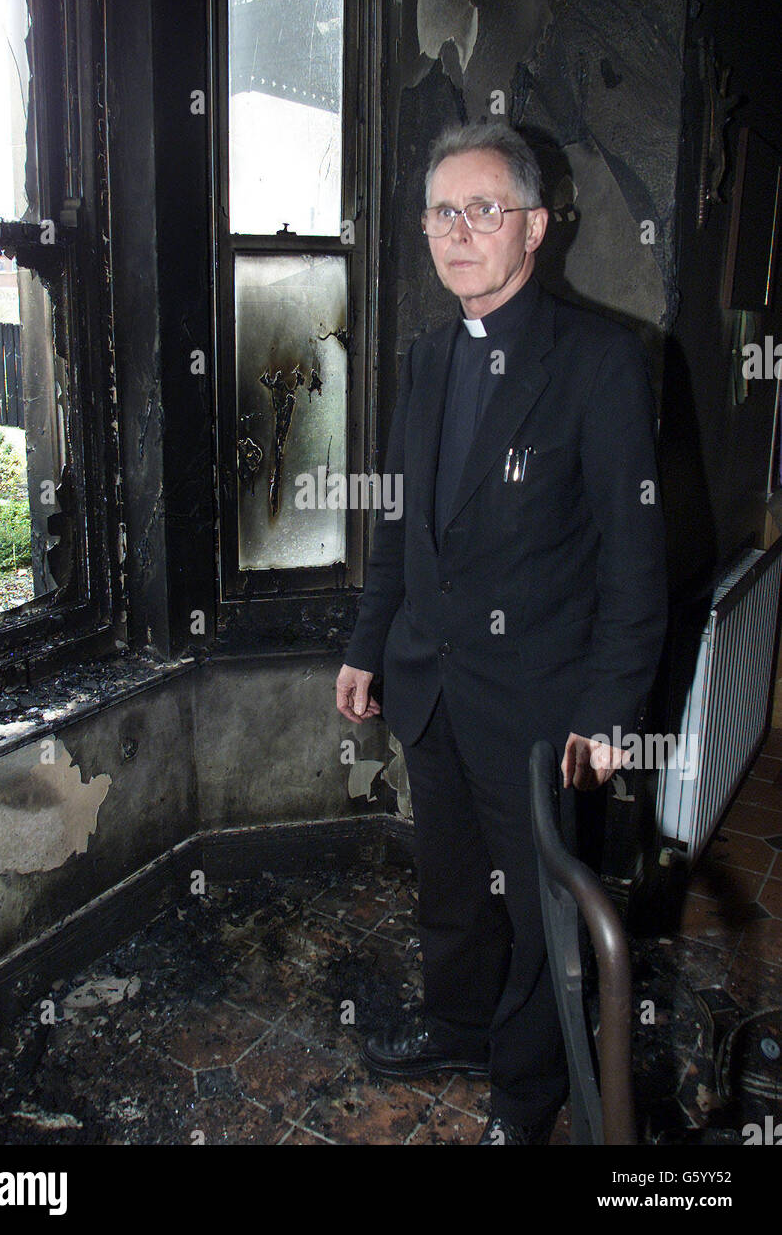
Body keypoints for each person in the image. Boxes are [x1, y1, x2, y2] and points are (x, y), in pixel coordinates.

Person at [335, 119, 668, 1145]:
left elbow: (633, 565)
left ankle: (524, 1095)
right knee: (450, 884)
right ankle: (455, 1024)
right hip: (429, 684)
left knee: (537, 918)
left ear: (532, 227)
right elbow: (400, 519)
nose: (457, 230)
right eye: (442, 210)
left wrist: (609, 716)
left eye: (482, 208)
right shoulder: (427, 356)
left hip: (538, 705)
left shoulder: (605, 363)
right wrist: (364, 639)